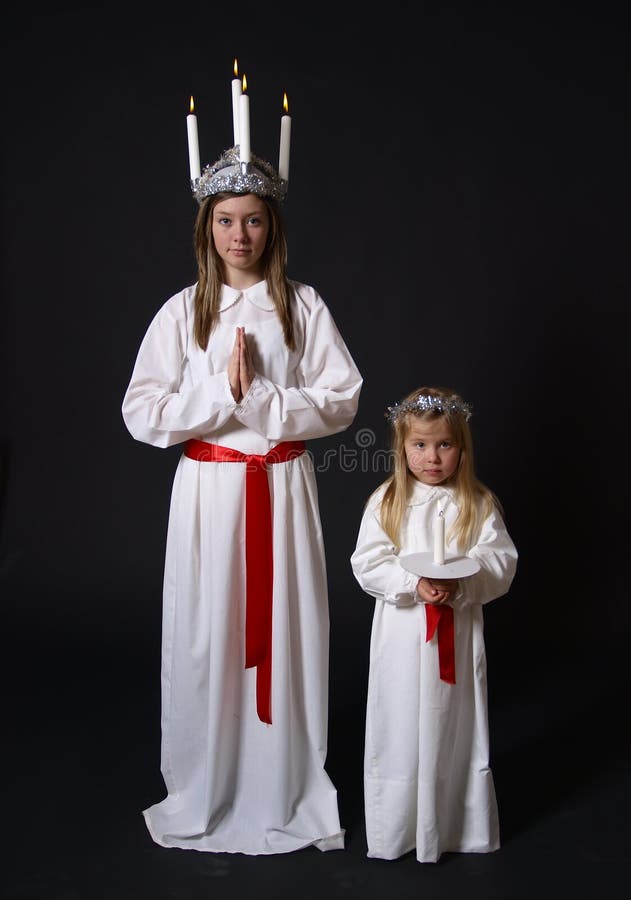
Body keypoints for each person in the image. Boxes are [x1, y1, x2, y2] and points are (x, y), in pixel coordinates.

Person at [122, 140, 362, 854]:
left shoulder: (300, 306)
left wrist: (260, 398)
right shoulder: (182, 312)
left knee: (285, 631)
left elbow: (341, 399)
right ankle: (207, 781)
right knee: (208, 634)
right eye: (225, 220)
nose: (239, 235)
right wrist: (213, 394)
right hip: (210, 493)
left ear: (272, 228)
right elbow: (141, 410)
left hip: (280, 490)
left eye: (253, 220)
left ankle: (279, 781)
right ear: (206, 228)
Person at [350, 386, 517, 864]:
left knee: (453, 722)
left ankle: (456, 827)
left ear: (461, 447)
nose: (432, 457)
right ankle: (398, 829)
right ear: (402, 448)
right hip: (403, 636)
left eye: (444, 444)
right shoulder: (387, 501)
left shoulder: (478, 504)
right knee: (401, 723)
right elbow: (368, 561)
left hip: (457, 637)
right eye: (420, 445)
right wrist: (411, 582)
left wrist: (460, 585)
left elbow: (499, 560)